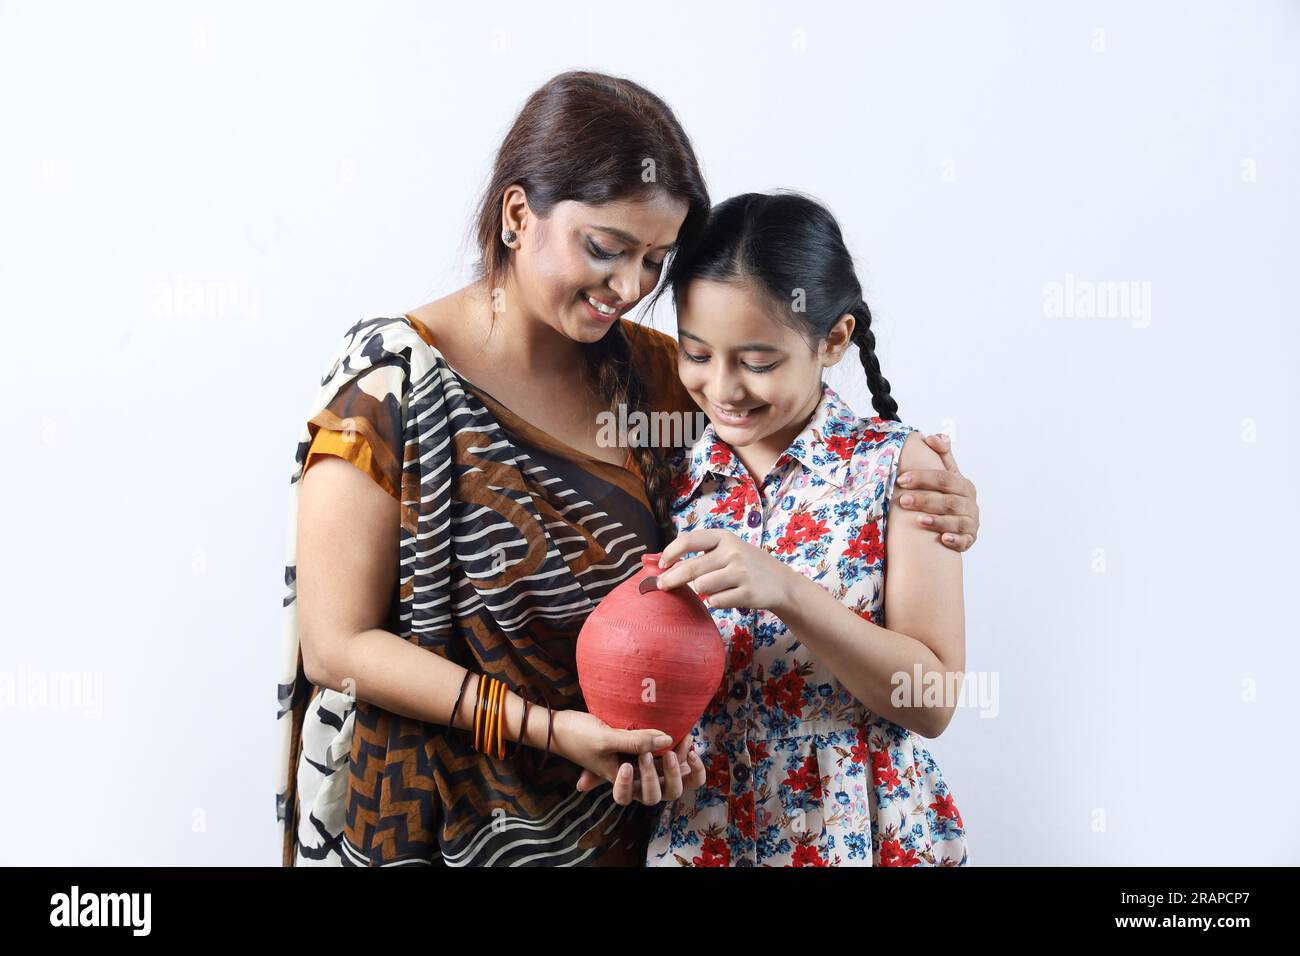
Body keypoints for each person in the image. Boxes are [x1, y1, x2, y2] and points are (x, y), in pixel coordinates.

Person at [276, 74, 981, 867]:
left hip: (627, 826)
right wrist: (545, 728)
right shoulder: (393, 383)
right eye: (606, 249)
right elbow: (334, 645)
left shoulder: (660, 382)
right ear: (518, 215)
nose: (630, 288)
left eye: (655, 260)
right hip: (440, 813)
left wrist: (936, 501)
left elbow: (798, 464)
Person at [639, 192, 970, 866]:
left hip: (863, 833)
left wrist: (786, 590)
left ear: (834, 340)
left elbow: (932, 701)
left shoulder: (898, 468)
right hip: (706, 833)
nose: (723, 387)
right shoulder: (668, 475)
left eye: (757, 362)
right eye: (696, 353)